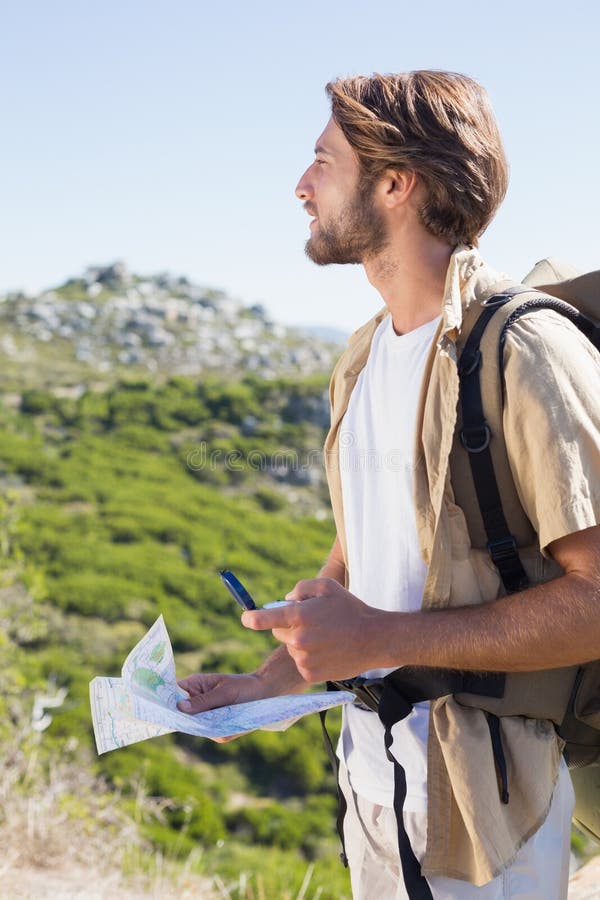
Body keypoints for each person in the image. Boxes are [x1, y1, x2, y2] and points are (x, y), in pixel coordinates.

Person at [178, 71, 600, 898]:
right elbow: (359, 568)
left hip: (489, 810)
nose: (302, 186)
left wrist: (382, 639)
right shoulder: (362, 360)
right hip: (373, 785)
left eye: (324, 163)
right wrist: (262, 687)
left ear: (396, 183)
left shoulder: (524, 353)